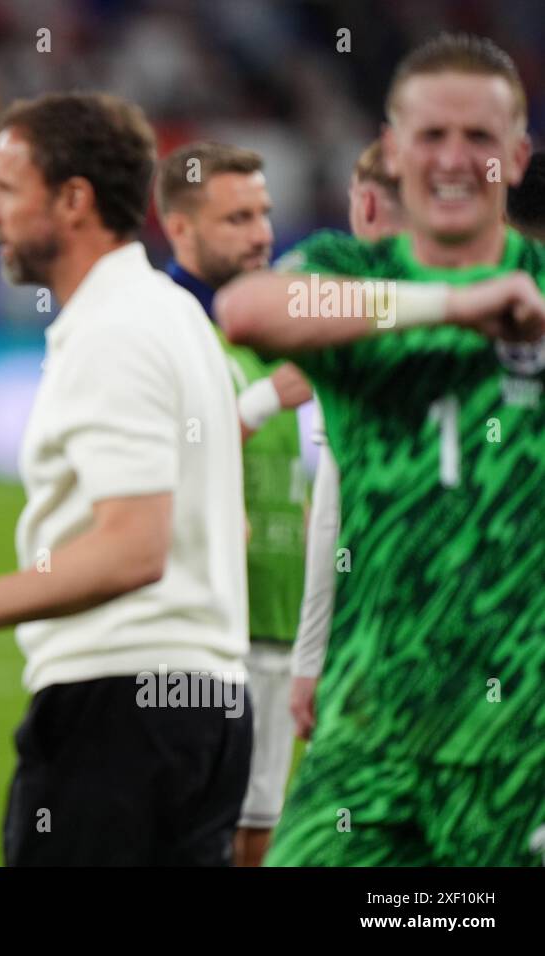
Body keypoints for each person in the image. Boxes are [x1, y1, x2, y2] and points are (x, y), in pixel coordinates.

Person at [0, 92, 251, 866]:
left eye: (6, 188)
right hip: (210, 707)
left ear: (72, 200)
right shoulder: (175, 316)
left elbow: (134, 548)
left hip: (121, 710)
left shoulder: (115, 330)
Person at [216, 33, 545, 865]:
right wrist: (455, 305)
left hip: (516, 738)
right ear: (394, 151)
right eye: (432, 136)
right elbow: (248, 310)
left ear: (518, 152)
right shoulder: (347, 272)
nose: (454, 158)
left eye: (479, 138)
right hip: (370, 729)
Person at [156, 141, 310, 867]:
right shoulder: (161, 328)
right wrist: (255, 403)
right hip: (199, 637)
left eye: (265, 214)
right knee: (193, 842)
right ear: (180, 228)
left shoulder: (259, 330)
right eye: (238, 218)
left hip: (277, 621)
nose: (263, 234)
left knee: (257, 840)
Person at [289, 139, 406, 742]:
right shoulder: (499, 308)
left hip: (383, 642)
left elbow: (331, 517)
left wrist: (309, 661)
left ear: (363, 202)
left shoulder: (357, 335)